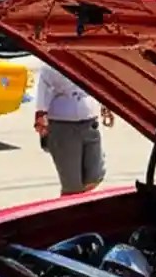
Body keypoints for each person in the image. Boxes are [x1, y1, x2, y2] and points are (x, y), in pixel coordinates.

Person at [33, 65, 115, 195]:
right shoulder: (51, 63)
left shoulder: (87, 59)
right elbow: (44, 86)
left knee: (95, 176)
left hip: (90, 121)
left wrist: (106, 103)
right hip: (63, 126)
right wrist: (41, 115)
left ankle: (82, 205)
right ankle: (71, 212)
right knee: (72, 186)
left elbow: (99, 81)